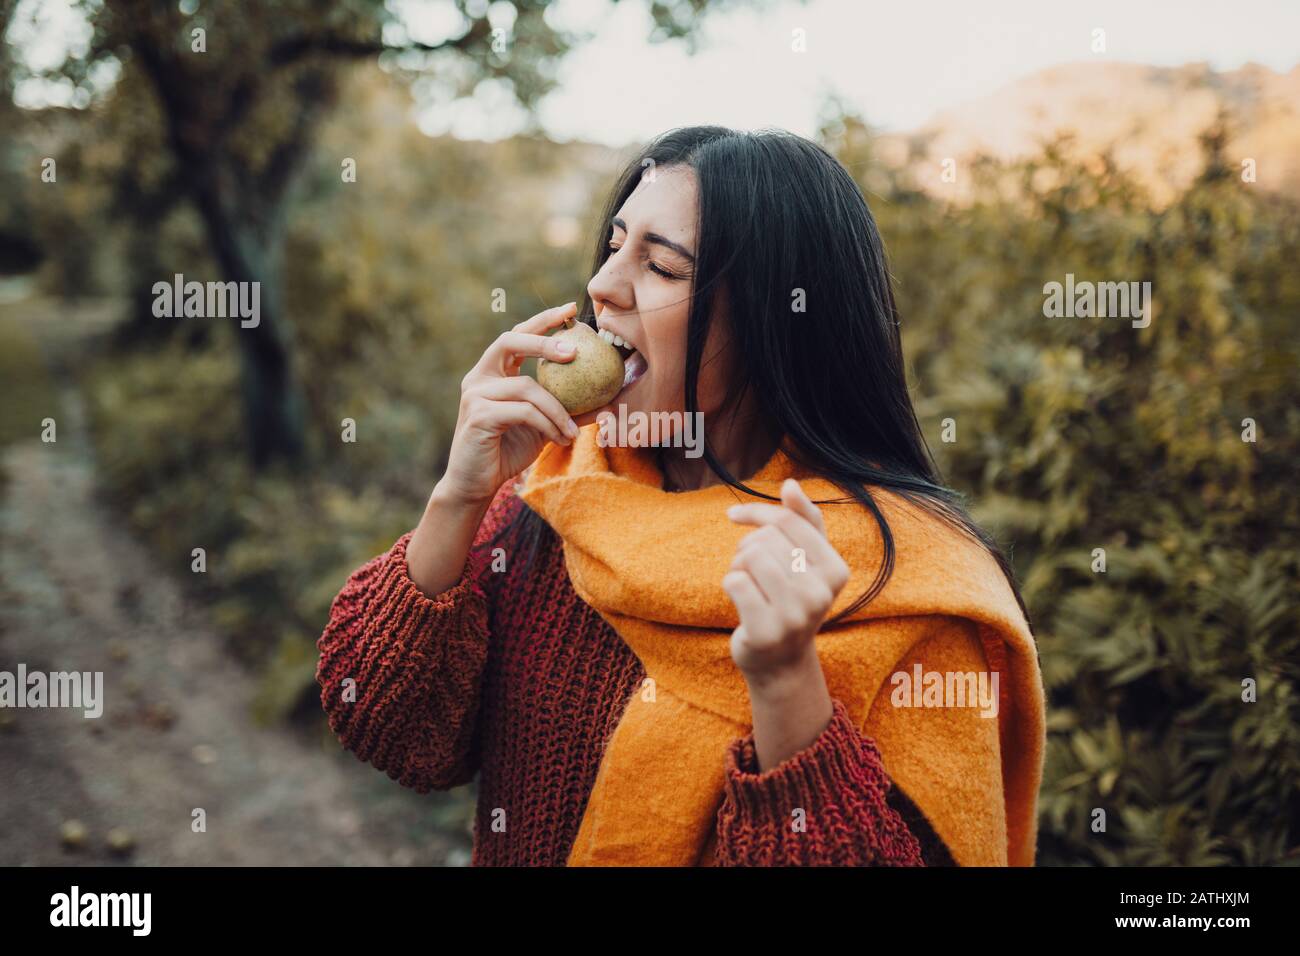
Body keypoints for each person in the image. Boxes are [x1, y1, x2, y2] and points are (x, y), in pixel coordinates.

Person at [316, 126, 1046, 867]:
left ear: (774, 322)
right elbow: (382, 724)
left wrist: (788, 684)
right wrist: (458, 497)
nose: (602, 285)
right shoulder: (562, 493)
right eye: (615, 244)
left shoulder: (906, 588)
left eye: (662, 266)